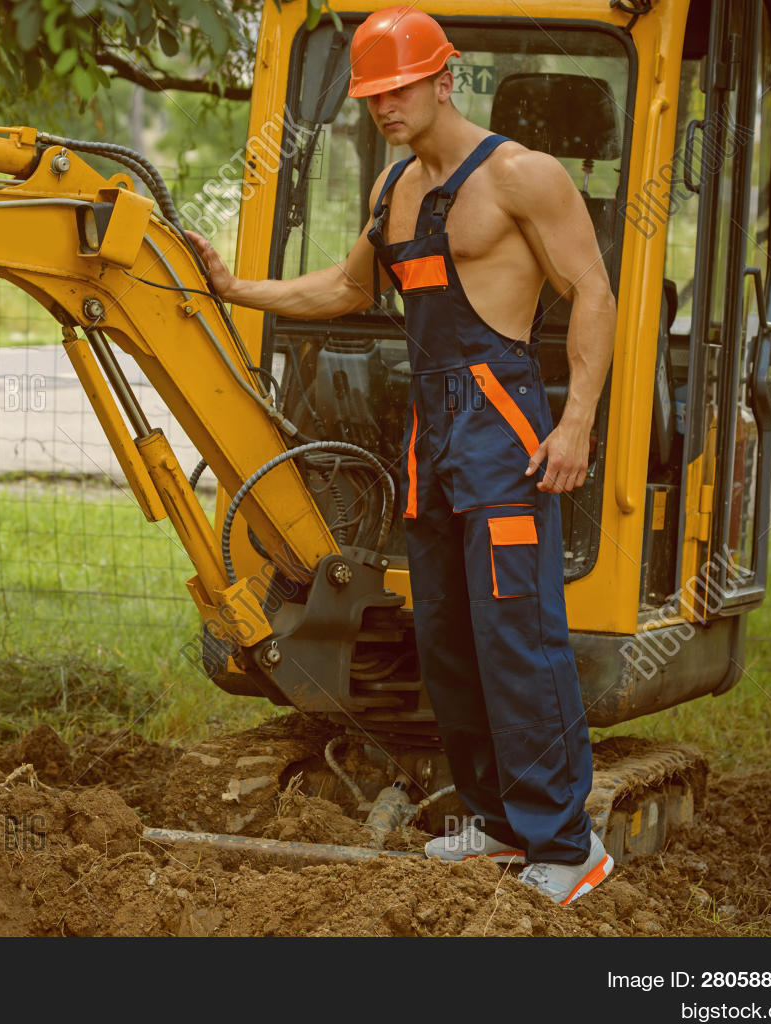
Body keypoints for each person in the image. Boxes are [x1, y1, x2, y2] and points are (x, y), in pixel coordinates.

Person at [185, 5, 618, 905]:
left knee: (517, 637)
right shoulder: (395, 191)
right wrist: (234, 287)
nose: (383, 105)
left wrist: (574, 424)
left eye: (398, 87)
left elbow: (593, 295)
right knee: (448, 640)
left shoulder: (520, 177)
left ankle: (568, 845)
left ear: (443, 78)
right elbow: (345, 287)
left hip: (502, 431)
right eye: (372, 93)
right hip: (432, 439)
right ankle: (502, 826)